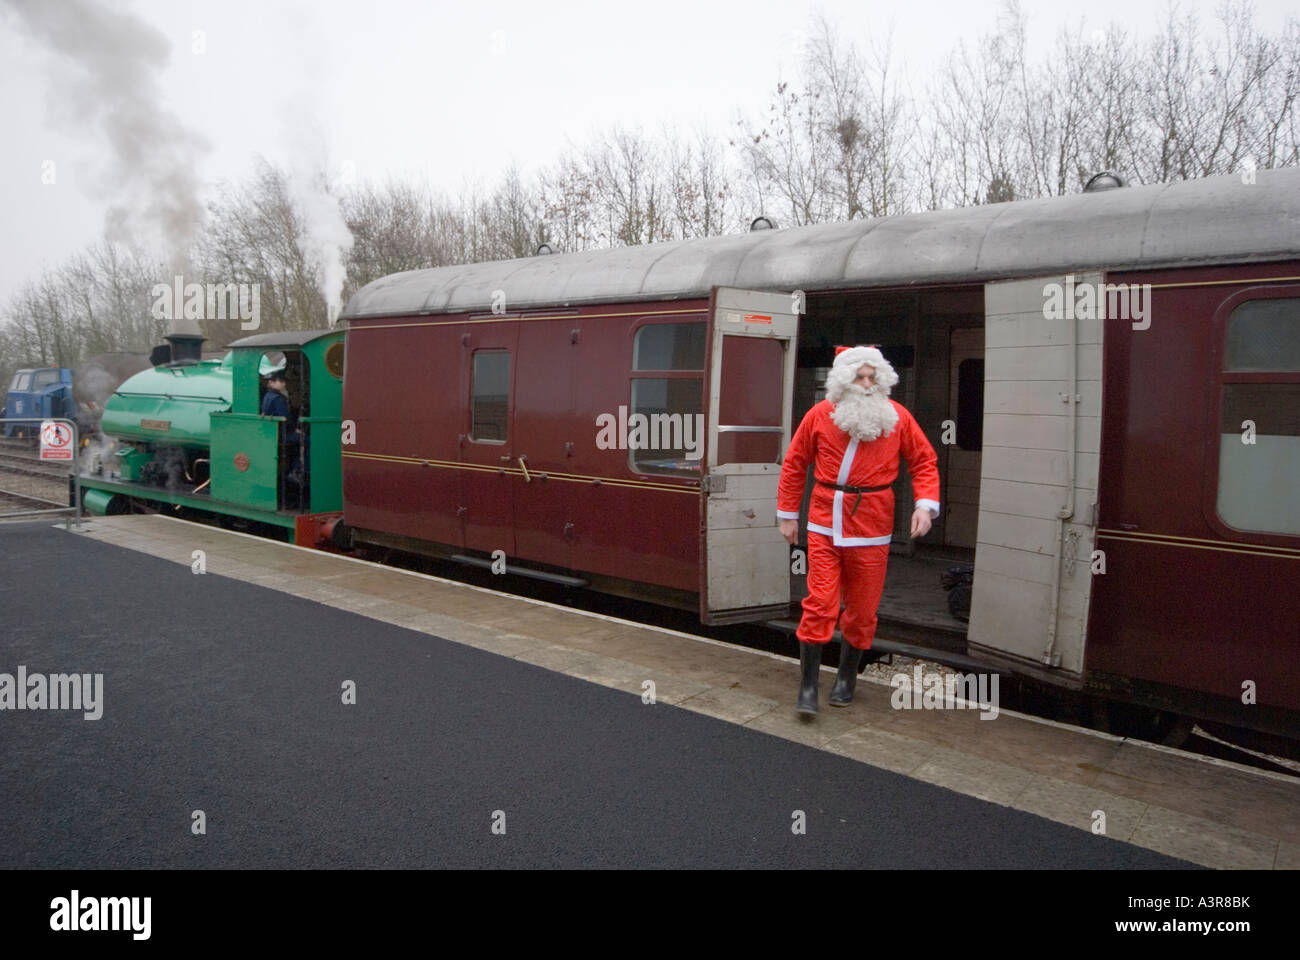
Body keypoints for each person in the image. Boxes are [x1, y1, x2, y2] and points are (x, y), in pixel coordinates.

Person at [776, 345, 941, 715]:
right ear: (843, 380)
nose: (866, 384)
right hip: (824, 522)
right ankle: (807, 686)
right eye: (859, 377)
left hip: (873, 526)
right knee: (820, 604)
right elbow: (794, 463)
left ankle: (847, 678)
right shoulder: (820, 415)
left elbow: (924, 461)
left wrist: (925, 506)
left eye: (872, 377)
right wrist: (788, 514)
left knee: (863, 610)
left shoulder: (896, 417)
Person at [262, 370, 304, 499]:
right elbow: (285, 418)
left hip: (272, 433)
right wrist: (295, 430)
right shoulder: (278, 398)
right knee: (307, 440)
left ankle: (292, 469)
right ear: (271, 382)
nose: (283, 384)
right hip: (281, 434)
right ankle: (296, 470)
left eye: (283, 381)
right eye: (280, 381)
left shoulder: (268, 396)